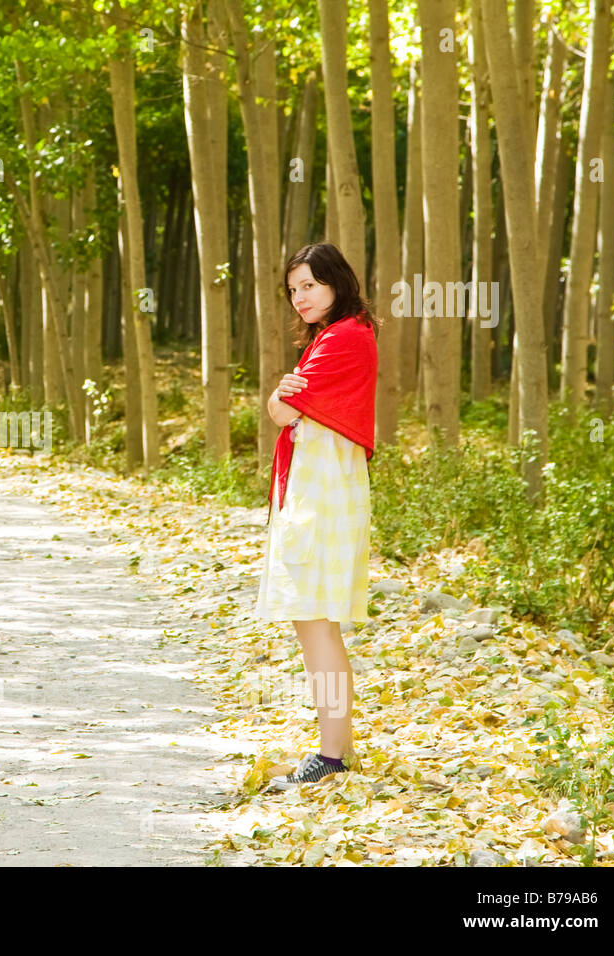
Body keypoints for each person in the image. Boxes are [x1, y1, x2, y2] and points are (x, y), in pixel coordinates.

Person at [253, 242, 381, 788]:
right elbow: (284, 410)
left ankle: (331, 756)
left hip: (321, 495)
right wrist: (280, 406)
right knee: (314, 623)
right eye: (293, 290)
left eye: (309, 285)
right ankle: (337, 749)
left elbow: (284, 409)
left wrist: (279, 404)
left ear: (336, 282)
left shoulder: (346, 337)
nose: (300, 298)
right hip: (318, 488)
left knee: (316, 622)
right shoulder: (335, 336)